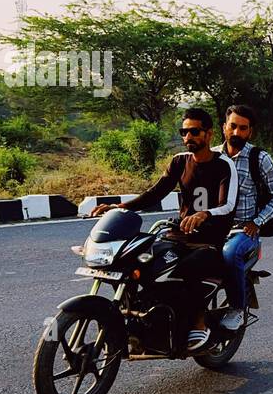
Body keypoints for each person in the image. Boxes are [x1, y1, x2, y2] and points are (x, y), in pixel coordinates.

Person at [90, 108, 237, 350]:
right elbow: (155, 192)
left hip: (210, 240)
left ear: (209, 134)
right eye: (184, 132)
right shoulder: (180, 161)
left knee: (190, 268)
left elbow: (228, 204)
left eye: (194, 131)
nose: (188, 137)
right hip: (179, 235)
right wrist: (121, 206)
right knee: (139, 262)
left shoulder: (224, 165)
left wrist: (204, 214)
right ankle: (142, 323)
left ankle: (199, 323)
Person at [215, 104, 273, 331]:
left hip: (242, 231)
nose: (237, 133)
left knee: (229, 254)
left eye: (243, 128)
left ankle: (236, 309)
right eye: (233, 126)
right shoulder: (212, 157)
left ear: (250, 132)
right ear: (224, 127)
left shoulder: (259, 158)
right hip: (212, 227)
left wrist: (257, 222)